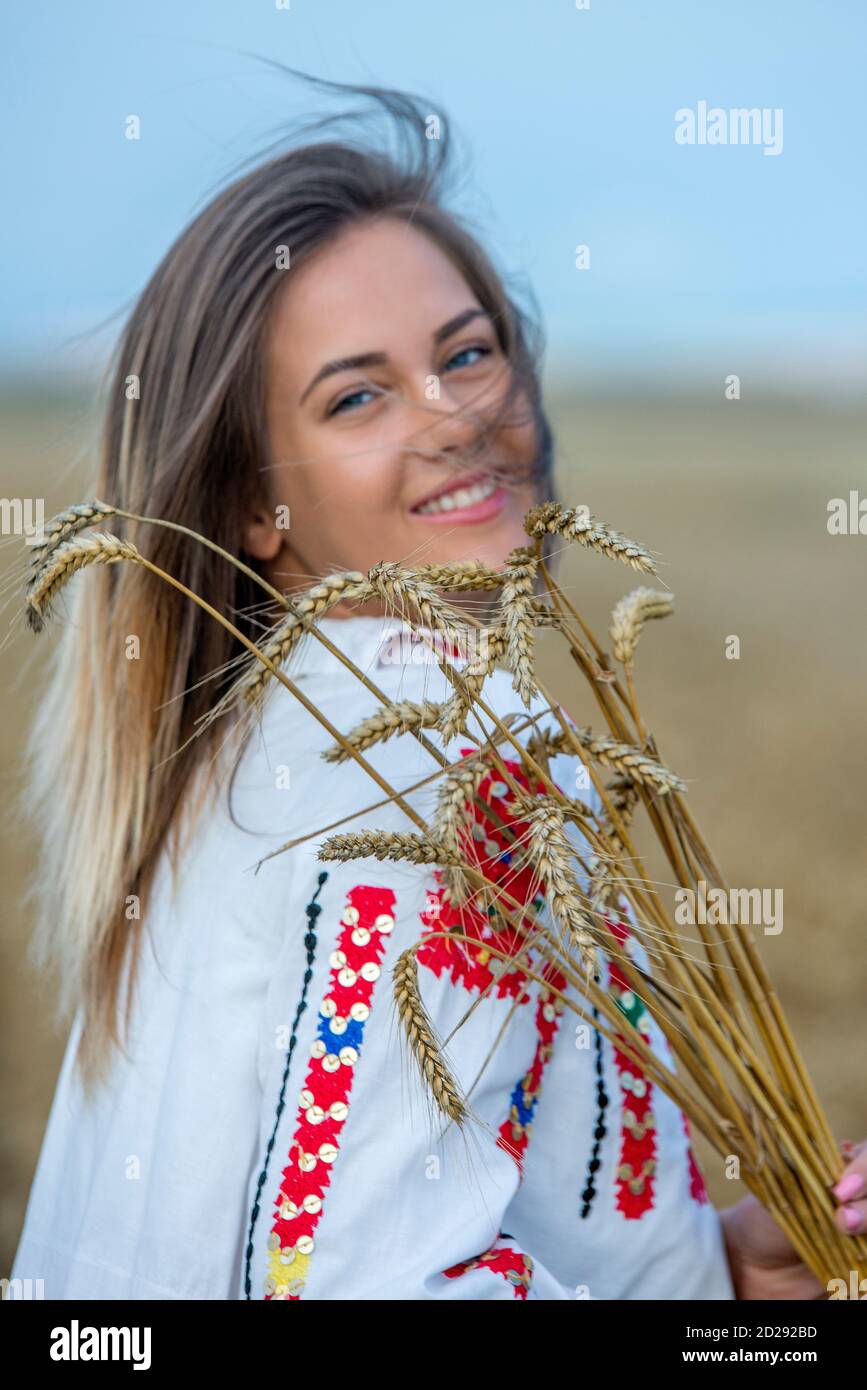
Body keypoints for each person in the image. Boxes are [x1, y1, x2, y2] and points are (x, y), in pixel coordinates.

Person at [10, 71, 866, 1301]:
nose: (455, 413)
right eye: (357, 395)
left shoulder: (263, 731)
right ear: (253, 504)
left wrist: (718, 1275)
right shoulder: (429, 763)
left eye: (468, 353)